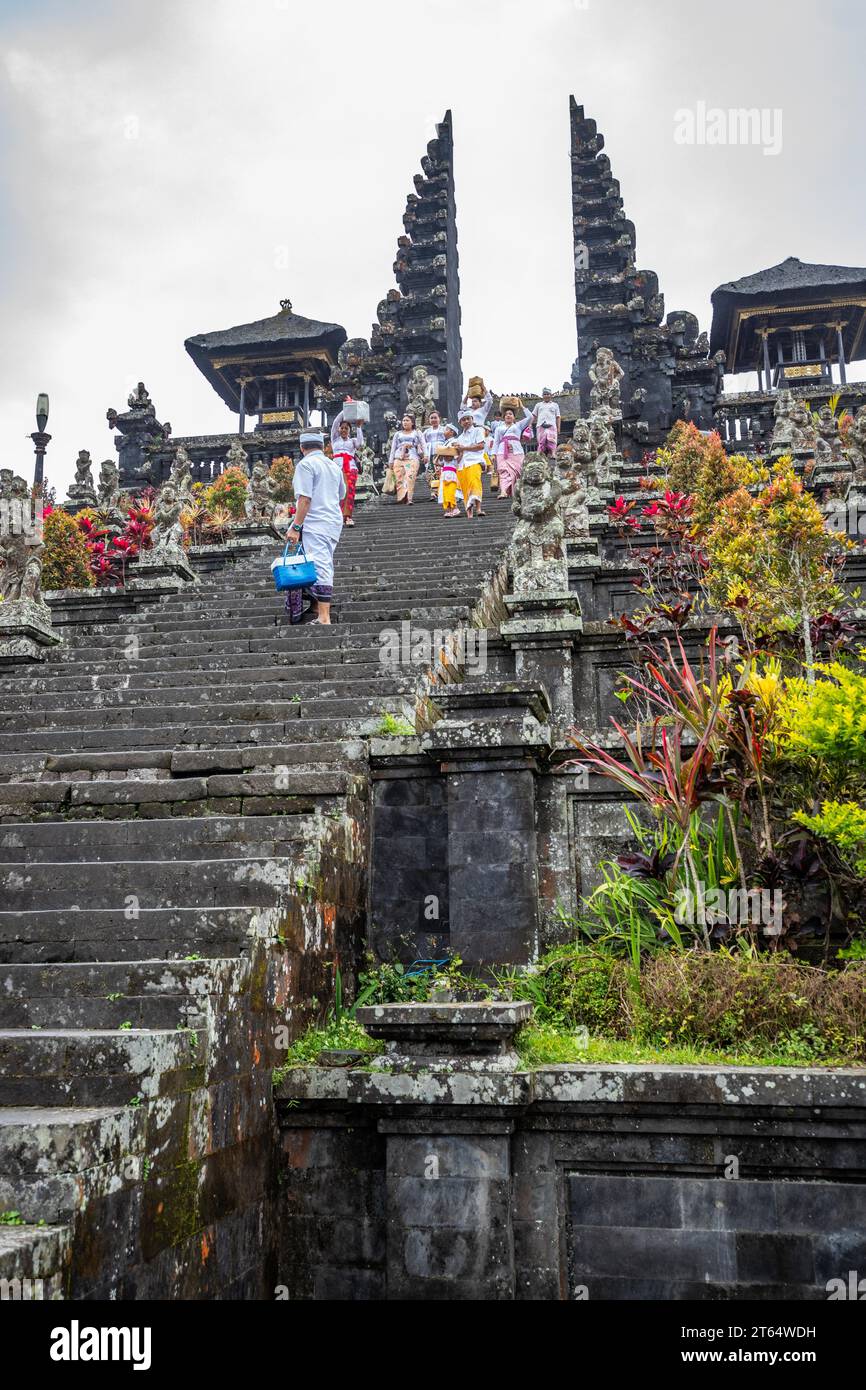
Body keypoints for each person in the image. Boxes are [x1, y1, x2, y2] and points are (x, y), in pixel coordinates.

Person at [282, 430, 346, 626]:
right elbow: (342, 494)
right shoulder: (333, 465)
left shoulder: (306, 464)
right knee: (316, 561)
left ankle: (324, 617)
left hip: (316, 521)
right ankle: (317, 606)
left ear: (302, 448)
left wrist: (296, 526)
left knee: (321, 564)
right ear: (321, 446)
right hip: (333, 521)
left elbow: (304, 499)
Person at [492, 402, 534, 498]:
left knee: (517, 471)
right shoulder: (499, 428)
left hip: (516, 451)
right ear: (503, 417)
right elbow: (496, 442)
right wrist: (493, 454)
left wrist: (522, 406)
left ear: (514, 417)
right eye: (506, 414)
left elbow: (530, 417)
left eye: (510, 414)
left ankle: (517, 491)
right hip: (502, 452)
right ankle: (503, 491)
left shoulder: (518, 425)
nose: (508, 416)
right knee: (503, 471)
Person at [330, 405, 364, 527]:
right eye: (342, 428)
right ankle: (337, 516)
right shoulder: (335, 439)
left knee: (349, 492)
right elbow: (335, 422)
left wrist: (359, 427)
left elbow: (360, 444)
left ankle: (348, 517)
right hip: (337, 468)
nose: (344, 430)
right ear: (338, 429)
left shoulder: (352, 441)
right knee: (336, 492)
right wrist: (348, 409)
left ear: (349, 430)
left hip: (350, 468)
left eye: (346, 428)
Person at [454, 405, 487, 520]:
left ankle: (478, 508)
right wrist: (458, 451)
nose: (466, 421)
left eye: (468, 418)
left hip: (475, 461)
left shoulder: (478, 431)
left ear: (472, 419)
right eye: (463, 420)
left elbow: (481, 445)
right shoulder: (459, 438)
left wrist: (464, 448)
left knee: (475, 483)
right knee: (465, 488)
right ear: (460, 422)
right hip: (462, 465)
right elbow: (458, 456)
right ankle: (469, 512)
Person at [387, 413, 427, 505]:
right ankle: (402, 497)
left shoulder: (417, 432)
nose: (405, 422)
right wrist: (391, 461)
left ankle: (409, 498)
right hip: (399, 458)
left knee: (410, 477)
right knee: (399, 478)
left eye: (407, 420)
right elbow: (393, 448)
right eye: (404, 420)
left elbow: (424, 444)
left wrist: (426, 455)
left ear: (412, 422)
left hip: (412, 458)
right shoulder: (397, 434)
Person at [436, 422, 460, 518]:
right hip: (445, 469)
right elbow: (441, 461)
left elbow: (451, 457)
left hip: (451, 469)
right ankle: (449, 509)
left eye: (446, 429)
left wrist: (443, 452)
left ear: (451, 432)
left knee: (450, 489)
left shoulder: (454, 442)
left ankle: (454, 508)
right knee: (444, 490)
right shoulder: (446, 443)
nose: (444, 431)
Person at [423, 410, 449, 500]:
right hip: (430, 453)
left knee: (440, 472)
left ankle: (441, 491)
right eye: (431, 418)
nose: (433, 419)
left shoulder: (445, 429)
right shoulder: (426, 431)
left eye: (435, 418)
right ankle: (433, 493)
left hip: (441, 453)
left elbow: (448, 440)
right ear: (429, 420)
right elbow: (422, 443)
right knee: (430, 473)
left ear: (439, 419)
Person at [532, 388, 562, 456]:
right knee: (541, 441)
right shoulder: (538, 405)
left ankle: (553, 453)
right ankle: (539, 453)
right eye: (545, 394)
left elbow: (558, 417)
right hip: (541, 425)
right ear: (542, 395)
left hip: (551, 426)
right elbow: (534, 415)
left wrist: (558, 428)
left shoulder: (555, 405)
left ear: (550, 395)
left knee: (552, 441)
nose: (546, 396)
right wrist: (530, 424)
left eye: (548, 394)